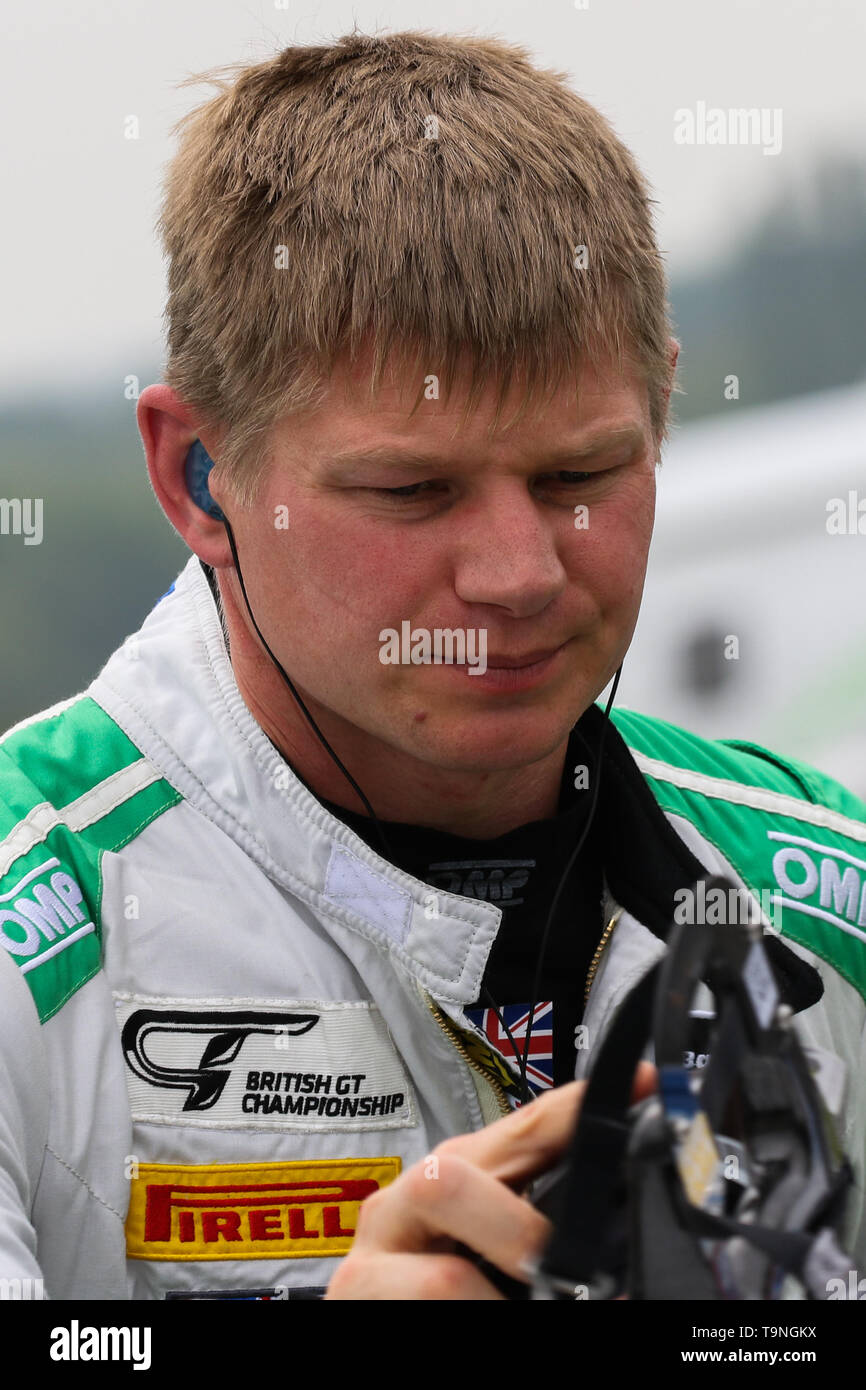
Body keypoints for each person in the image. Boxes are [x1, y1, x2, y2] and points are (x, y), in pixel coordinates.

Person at [1, 30, 865, 1303]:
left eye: (578, 476)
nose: (516, 572)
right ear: (198, 474)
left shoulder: (821, 885)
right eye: (411, 489)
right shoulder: (40, 914)